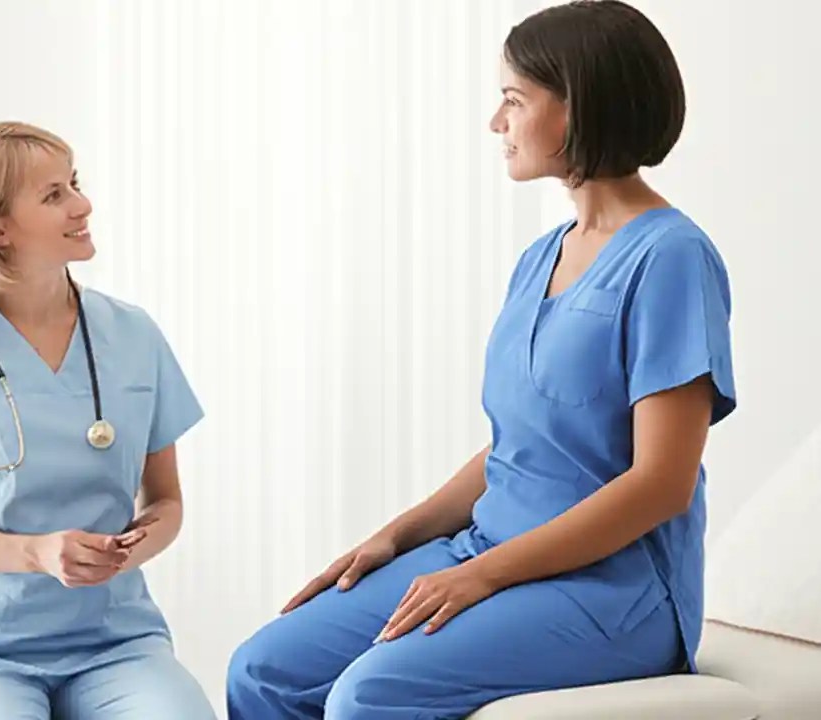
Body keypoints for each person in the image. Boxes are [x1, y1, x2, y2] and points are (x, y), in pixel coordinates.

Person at [226, 2, 737, 718]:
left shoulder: (671, 258)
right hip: (487, 548)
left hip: (615, 592)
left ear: (579, 107)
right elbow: (521, 448)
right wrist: (397, 537)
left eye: (513, 100)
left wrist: (485, 577)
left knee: (369, 697)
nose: (496, 123)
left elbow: (661, 484)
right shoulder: (541, 258)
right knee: (262, 670)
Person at [0, 121, 215, 719]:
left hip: (115, 643)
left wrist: (131, 547)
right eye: (54, 194)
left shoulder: (132, 335)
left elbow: (166, 500)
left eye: (74, 184)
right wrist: (36, 554)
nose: (82, 204)